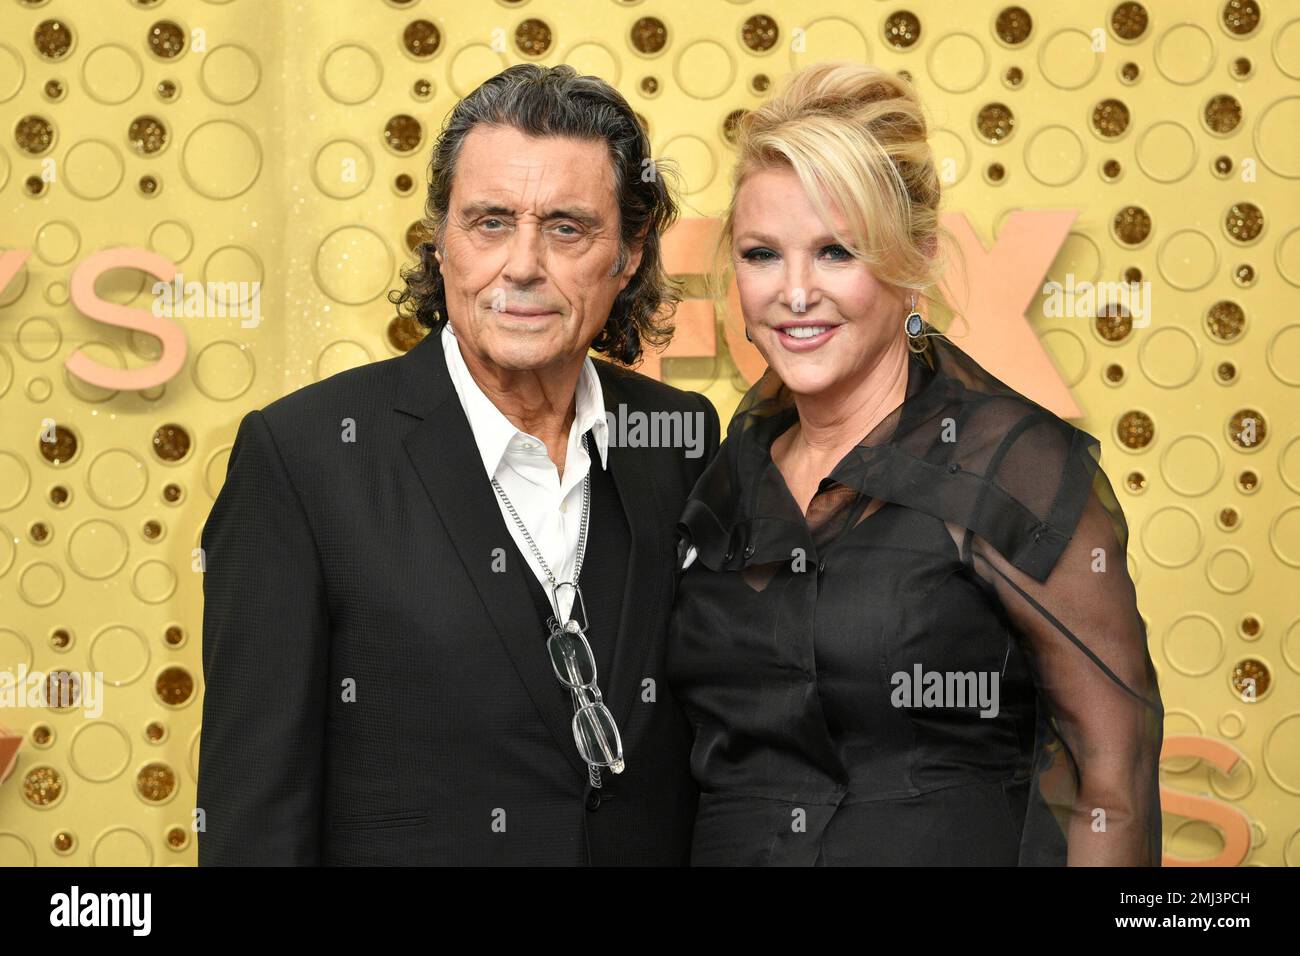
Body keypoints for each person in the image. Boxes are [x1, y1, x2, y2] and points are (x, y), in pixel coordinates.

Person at [197, 64, 719, 865]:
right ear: (440, 239)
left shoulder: (678, 438)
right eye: (489, 222)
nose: (522, 265)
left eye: (568, 228)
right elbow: (257, 815)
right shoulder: (304, 458)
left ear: (629, 250)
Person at [667, 61, 1164, 866]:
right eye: (762, 255)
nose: (794, 293)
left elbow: (1114, 777)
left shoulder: (1013, 468)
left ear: (917, 259)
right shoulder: (720, 480)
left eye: (835, 252)